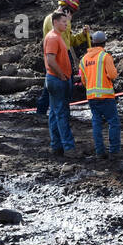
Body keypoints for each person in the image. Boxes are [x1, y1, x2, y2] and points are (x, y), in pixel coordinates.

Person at [36, 0, 90, 115]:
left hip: (62, 55)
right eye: (70, 12)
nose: (70, 15)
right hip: (56, 56)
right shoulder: (53, 19)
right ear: (66, 9)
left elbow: (71, 41)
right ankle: (53, 113)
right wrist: (67, 22)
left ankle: (53, 112)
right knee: (59, 86)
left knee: (57, 86)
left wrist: (82, 35)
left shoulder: (63, 21)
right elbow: (58, 34)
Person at [79, 30, 120, 160]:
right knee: (113, 122)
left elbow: (83, 80)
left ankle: (100, 151)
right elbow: (113, 75)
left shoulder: (83, 60)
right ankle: (114, 151)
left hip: (92, 97)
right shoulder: (105, 56)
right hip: (106, 97)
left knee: (96, 123)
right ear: (104, 42)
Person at [43, 10, 75, 157]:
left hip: (58, 79)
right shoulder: (53, 38)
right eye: (63, 21)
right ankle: (68, 147)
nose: (66, 24)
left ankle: (56, 146)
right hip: (56, 79)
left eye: (66, 21)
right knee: (61, 113)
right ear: (55, 22)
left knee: (55, 114)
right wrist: (61, 75)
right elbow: (50, 59)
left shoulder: (59, 36)